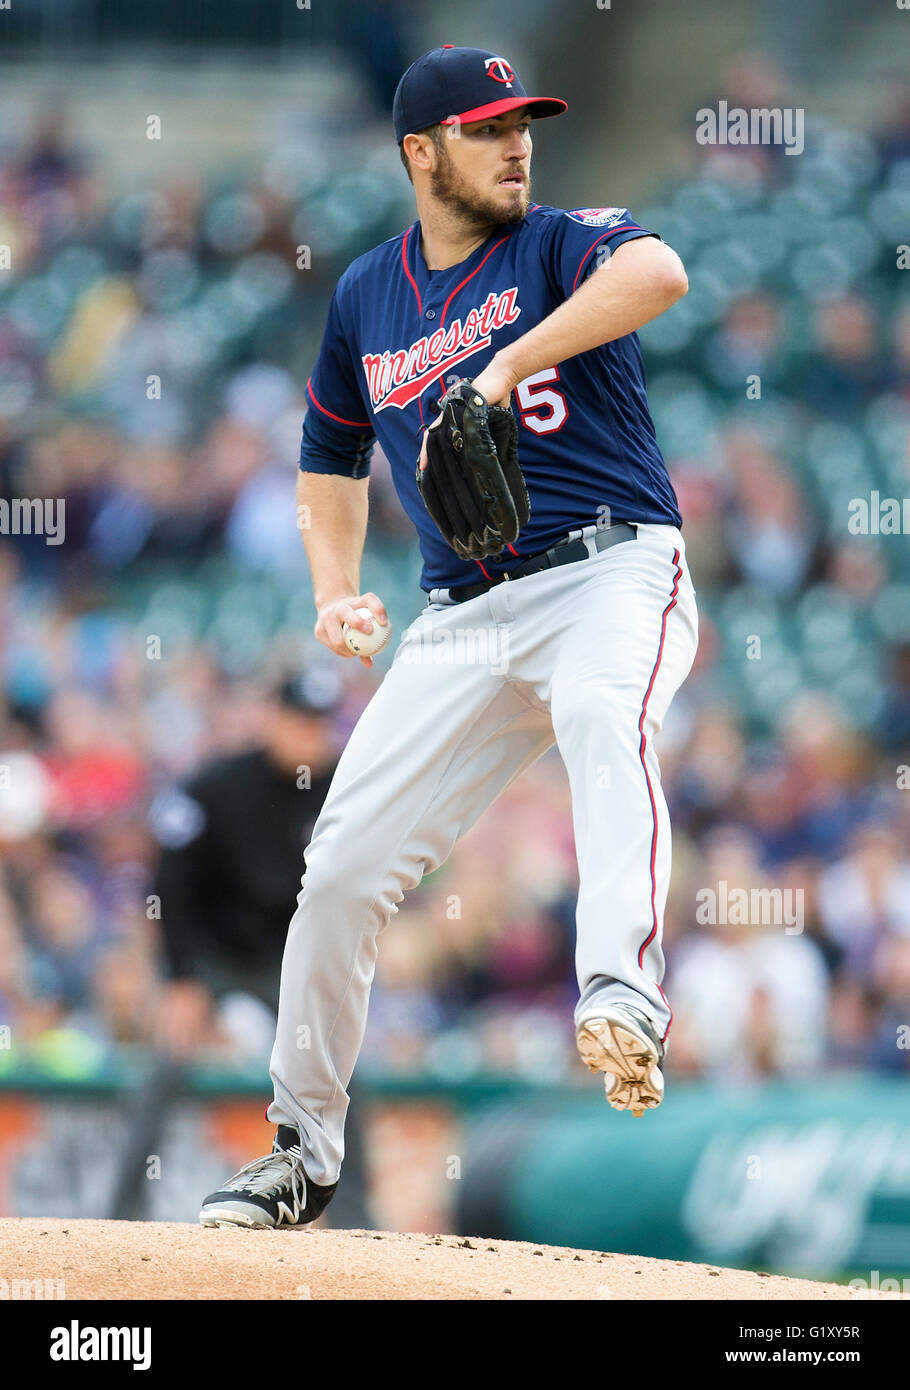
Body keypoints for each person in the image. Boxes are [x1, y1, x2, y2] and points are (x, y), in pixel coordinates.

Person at [200, 45, 698, 1230]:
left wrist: (504, 363)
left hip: (610, 569)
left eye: (522, 121)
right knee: (342, 869)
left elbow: (663, 272)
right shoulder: (368, 292)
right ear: (420, 152)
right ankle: (301, 1151)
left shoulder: (561, 240)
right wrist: (333, 588)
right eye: (486, 128)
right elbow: (327, 454)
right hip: (464, 614)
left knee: (596, 713)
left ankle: (621, 992)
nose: (516, 142)